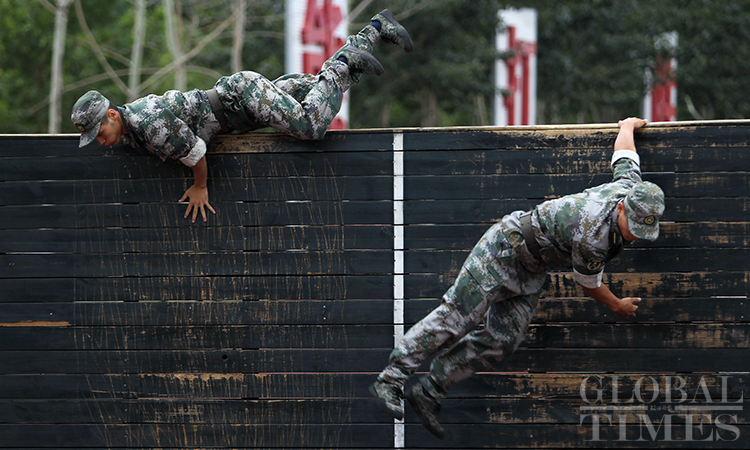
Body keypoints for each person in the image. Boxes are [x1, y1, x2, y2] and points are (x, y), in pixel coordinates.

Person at [369, 117, 665, 438]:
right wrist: (617, 305)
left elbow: (625, 159)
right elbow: (589, 283)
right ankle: (391, 379)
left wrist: (627, 127)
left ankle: (430, 389)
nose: (634, 237)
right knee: (456, 318)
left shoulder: (629, 188)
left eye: (642, 232)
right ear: (621, 209)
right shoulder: (592, 232)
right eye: (632, 228)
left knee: (503, 341)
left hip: (531, 269)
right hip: (504, 251)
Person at [71, 10, 412, 223]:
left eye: (99, 132)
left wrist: (200, 186)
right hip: (239, 107)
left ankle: (344, 64)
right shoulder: (132, 127)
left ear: (113, 115)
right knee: (317, 93)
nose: (100, 141)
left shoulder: (147, 124)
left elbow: (197, 154)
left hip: (243, 99)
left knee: (310, 125)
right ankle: (376, 28)